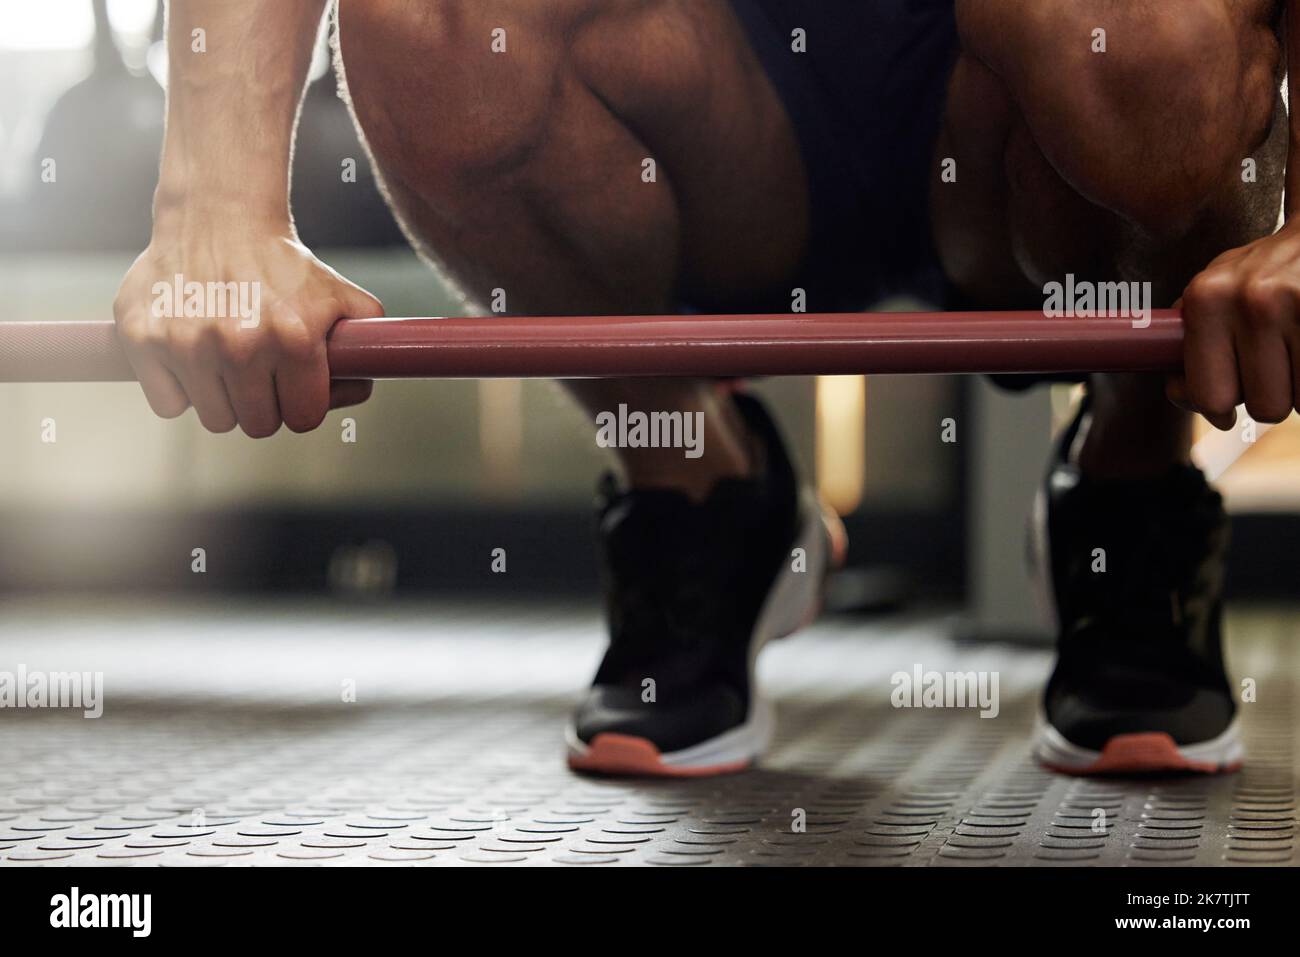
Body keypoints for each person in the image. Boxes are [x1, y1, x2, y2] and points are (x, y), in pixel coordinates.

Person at [114, 0, 1297, 776]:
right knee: (427, 17)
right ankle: (700, 487)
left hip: (1042, 98)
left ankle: (1128, 481)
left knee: (1158, 37)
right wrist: (214, 204)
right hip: (713, 95)